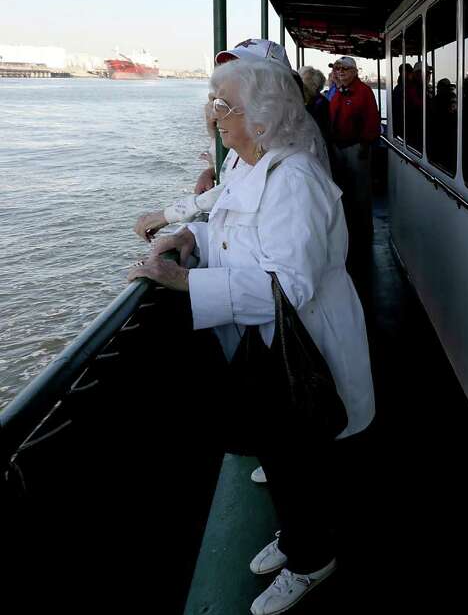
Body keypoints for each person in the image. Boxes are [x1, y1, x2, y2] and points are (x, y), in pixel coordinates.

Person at [128, 57, 374, 615]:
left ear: (260, 119)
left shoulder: (296, 181)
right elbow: (227, 223)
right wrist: (188, 233)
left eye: (224, 107)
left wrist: (187, 282)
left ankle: (314, 560)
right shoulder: (248, 164)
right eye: (214, 103)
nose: (213, 117)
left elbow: (286, 289)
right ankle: (294, 539)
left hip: (301, 341)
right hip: (269, 344)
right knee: (283, 452)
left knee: (302, 458)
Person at [134, 39, 295, 241]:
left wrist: (170, 217)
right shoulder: (259, 136)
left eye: (242, 73)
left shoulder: (289, 153)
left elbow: (239, 194)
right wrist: (211, 167)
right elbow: (235, 181)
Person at [326, 56, 380, 279]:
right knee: (343, 192)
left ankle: (364, 236)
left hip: (356, 148)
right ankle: (347, 232)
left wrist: (365, 145)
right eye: (336, 69)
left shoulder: (364, 92)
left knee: (360, 194)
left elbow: (372, 121)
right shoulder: (337, 91)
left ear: (354, 71)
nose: (339, 72)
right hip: (338, 148)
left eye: (343, 69)